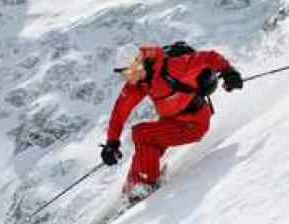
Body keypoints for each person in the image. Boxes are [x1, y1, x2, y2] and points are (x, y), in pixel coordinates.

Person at [100, 41, 243, 200]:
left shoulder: (173, 67)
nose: (125, 78)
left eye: (126, 73)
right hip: (171, 122)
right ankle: (132, 189)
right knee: (144, 146)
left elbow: (209, 57)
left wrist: (229, 72)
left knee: (142, 134)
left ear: (137, 65)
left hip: (193, 122)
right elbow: (120, 112)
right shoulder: (139, 83)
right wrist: (112, 143)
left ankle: (145, 186)